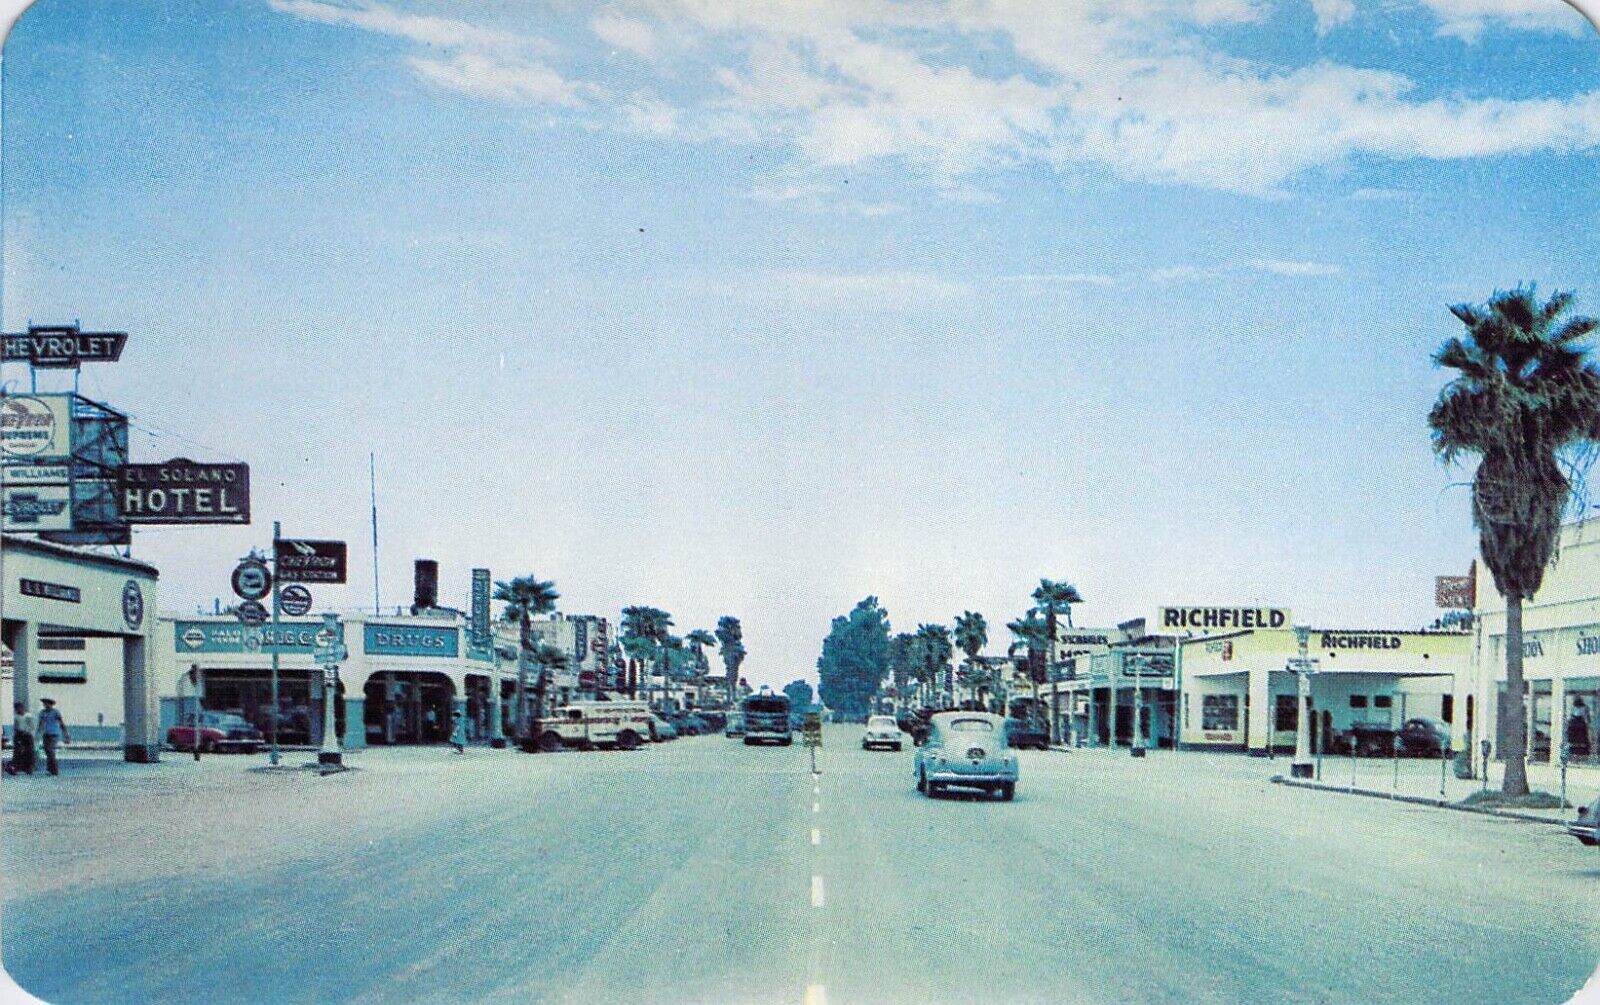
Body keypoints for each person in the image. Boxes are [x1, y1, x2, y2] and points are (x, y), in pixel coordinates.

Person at [36, 698, 69, 776]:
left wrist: (65, 734)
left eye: (46, 703)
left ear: (51, 704)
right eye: (44, 704)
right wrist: (38, 733)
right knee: (47, 751)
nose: (45, 705)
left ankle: (54, 770)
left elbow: (61, 723)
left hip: (54, 734)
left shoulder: (55, 712)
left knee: (50, 750)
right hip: (46, 734)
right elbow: (41, 724)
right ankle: (50, 769)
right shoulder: (42, 713)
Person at [6, 701, 36, 775]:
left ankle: (29, 767)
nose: (18, 710)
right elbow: (16, 726)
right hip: (19, 735)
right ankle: (15, 768)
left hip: (27, 735)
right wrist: (18, 733)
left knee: (29, 751)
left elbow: (31, 726)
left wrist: (27, 731)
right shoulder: (16, 716)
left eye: (19, 708)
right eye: (17, 708)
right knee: (17, 751)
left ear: (22, 708)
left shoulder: (28, 716)